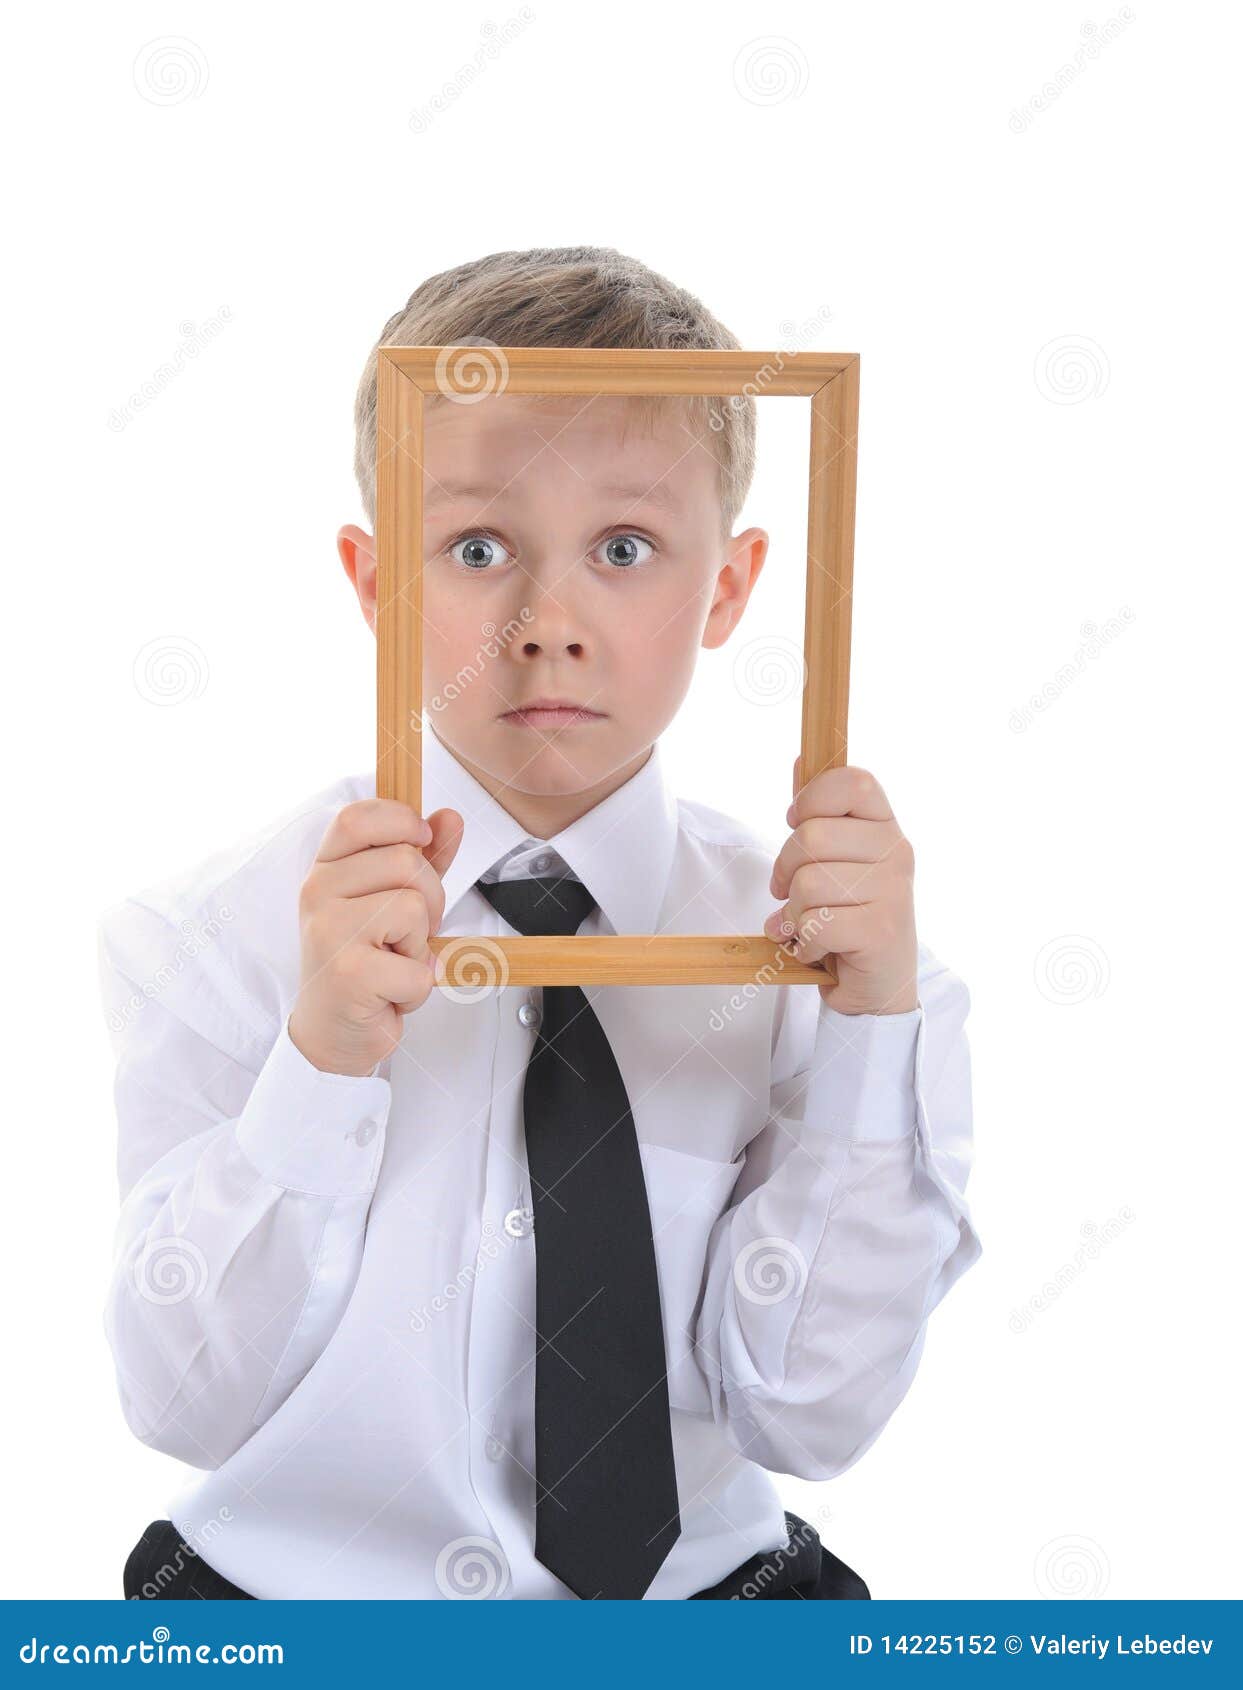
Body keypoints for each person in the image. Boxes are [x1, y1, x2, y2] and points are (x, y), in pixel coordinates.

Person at [99, 245, 981, 1601]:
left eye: (623, 550)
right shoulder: (214, 936)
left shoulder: (825, 955)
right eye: (476, 547)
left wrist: (871, 1037)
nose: (547, 621)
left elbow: (817, 1414)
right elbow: (182, 1399)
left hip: (712, 1603)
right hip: (293, 1608)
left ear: (730, 588)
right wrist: (321, 1057)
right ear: (378, 579)